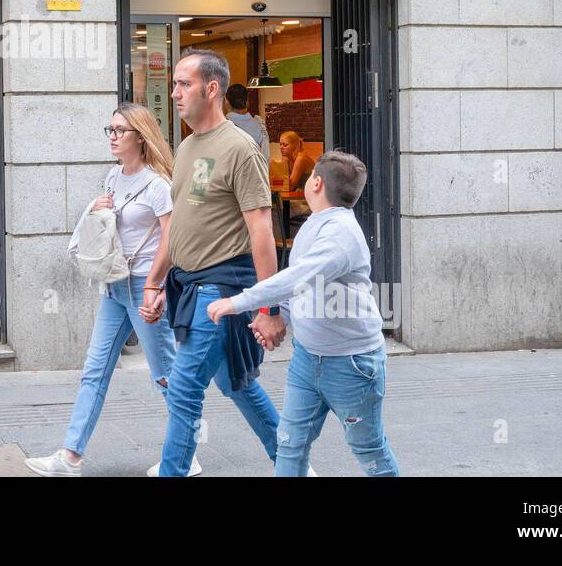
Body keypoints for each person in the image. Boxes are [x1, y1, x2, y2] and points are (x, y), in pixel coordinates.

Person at [140, 48, 294, 477]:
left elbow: (262, 231)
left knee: (185, 387)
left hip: (221, 287)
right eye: (173, 84)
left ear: (212, 89)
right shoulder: (189, 146)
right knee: (235, 381)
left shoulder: (240, 149)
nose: (173, 93)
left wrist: (269, 309)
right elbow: (184, 222)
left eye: (182, 84)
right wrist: (155, 282)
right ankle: (292, 462)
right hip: (189, 286)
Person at [207, 151, 398, 476]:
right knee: (290, 444)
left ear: (316, 183)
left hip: (352, 366)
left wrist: (239, 302)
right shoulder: (315, 224)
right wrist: (277, 316)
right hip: (307, 360)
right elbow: (302, 282)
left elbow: (300, 276)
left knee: (370, 451)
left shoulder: (341, 235)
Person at [25, 102, 187, 478]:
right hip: (114, 285)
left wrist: (156, 286)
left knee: (165, 375)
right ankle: (70, 456)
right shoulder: (114, 178)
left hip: (144, 286)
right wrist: (97, 207)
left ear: (140, 137)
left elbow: (171, 238)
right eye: (110, 130)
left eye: (120, 131)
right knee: (94, 370)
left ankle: (186, 448)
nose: (112, 137)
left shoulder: (158, 184)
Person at [226, 83, 265, 148]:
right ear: (247, 102)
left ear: (227, 102)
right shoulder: (259, 123)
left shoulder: (222, 126)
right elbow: (265, 154)